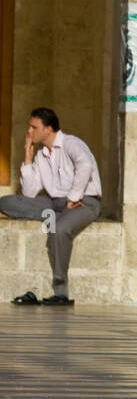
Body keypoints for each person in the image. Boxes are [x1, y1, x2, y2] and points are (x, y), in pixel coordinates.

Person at [2, 107, 102, 306]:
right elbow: (29, 193)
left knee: (60, 229)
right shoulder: (41, 155)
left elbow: (86, 165)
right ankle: (55, 216)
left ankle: (61, 291)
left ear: (48, 129)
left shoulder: (71, 144)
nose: (29, 131)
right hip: (54, 204)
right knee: (5, 202)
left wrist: (74, 196)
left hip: (84, 202)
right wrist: (28, 158)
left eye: (34, 127)